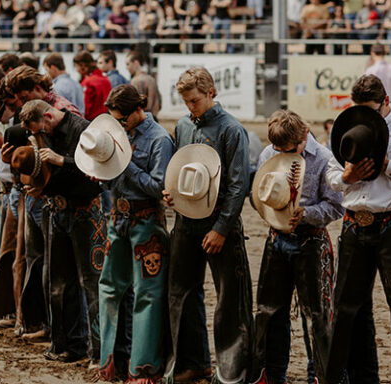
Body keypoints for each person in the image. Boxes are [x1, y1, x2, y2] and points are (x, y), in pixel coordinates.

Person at [324, 74, 391, 384]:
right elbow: (330, 176)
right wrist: (346, 177)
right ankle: (351, 377)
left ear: (387, 101)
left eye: (372, 109)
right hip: (353, 224)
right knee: (345, 307)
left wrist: (389, 167)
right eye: (361, 110)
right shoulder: (344, 126)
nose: (367, 116)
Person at [162, 67, 254, 384]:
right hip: (186, 221)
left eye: (195, 100)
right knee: (180, 294)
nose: (191, 107)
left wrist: (223, 228)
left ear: (211, 92)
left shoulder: (233, 130)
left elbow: (238, 185)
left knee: (230, 299)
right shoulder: (183, 126)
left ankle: (232, 372)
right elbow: (179, 171)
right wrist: (170, 192)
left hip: (219, 222)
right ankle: (192, 362)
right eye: (187, 101)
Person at [250, 109, 344, 384]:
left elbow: (336, 206)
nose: (280, 152)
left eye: (287, 149)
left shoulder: (325, 159)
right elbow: (259, 195)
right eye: (277, 148)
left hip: (312, 241)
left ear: (304, 138)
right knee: (269, 310)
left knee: (317, 316)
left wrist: (308, 213)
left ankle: (321, 376)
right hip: (277, 238)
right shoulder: (269, 154)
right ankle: (272, 373)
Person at [18, 99, 109, 364]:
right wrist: (40, 185)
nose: (37, 135)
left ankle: (99, 353)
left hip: (85, 213)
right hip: (57, 211)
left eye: (38, 129)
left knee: (92, 282)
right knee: (59, 282)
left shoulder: (83, 129)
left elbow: (97, 169)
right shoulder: (45, 133)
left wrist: (61, 160)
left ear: (47, 117)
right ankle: (67, 345)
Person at [96, 84, 175, 383]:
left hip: (146, 220)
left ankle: (143, 368)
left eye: (122, 119)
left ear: (137, 111)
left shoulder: (159, 140)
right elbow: (113, 178)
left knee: (148, 293)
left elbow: (159, 187)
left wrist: (125, 166)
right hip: (118, 216)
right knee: (109, 287)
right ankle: (108, 360)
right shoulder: (121, 134)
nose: (118, 124)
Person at [4, 65, 83, 118]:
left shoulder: (66, 111)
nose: (22, 104)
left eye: (25, 98)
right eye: (20, 99)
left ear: (37, 88)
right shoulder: (34, 112)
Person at [73, 51, 112, 121]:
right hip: (105, 120)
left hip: (91, 122)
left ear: (83, 65)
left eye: (77, 66)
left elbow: (85, 108)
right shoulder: (106, 79)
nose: (77, 70)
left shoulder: (88, 82)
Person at [126, 51, 162, 119]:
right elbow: (159, 102)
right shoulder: (151, 79)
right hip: (153, 119)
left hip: (141, 120)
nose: (127, 67)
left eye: (128, 64)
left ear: (136, 63)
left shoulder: (135, 81)